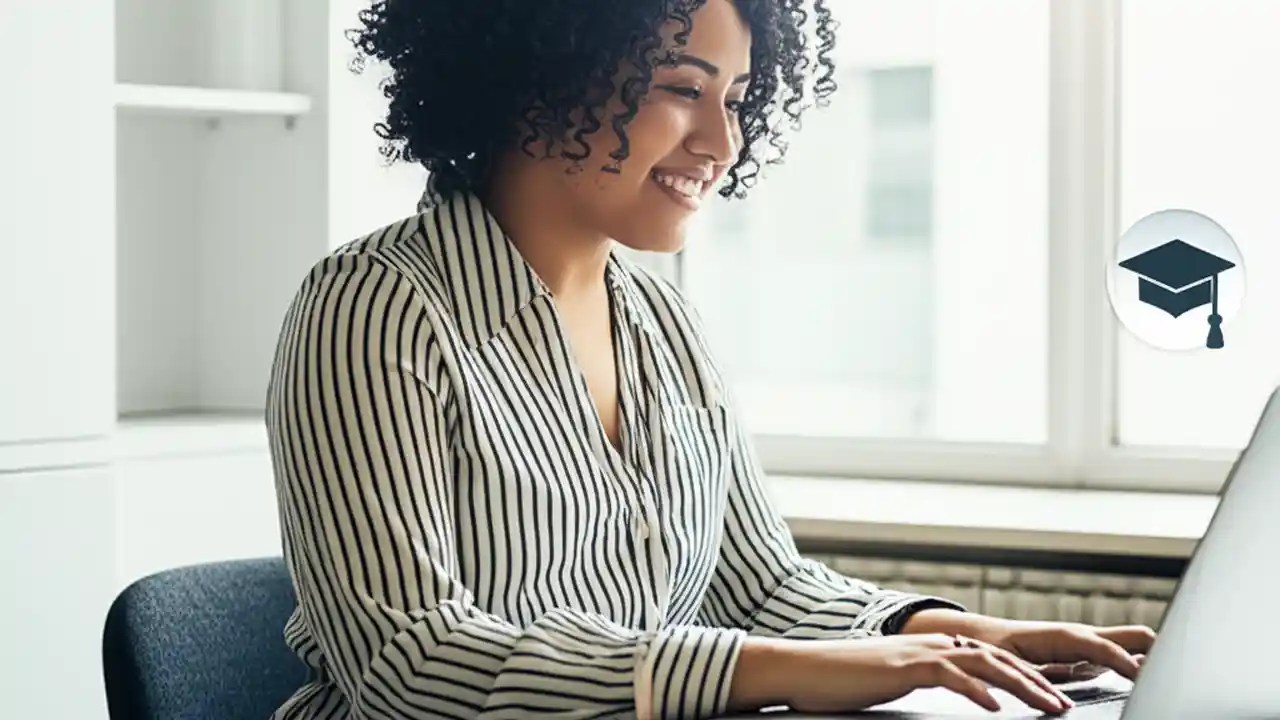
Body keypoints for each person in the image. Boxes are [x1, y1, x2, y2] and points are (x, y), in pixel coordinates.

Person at [263, 0, 1155, 717]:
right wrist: (776, 672)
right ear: (542, 74)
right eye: (683, 89)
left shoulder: (662, 320)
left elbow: (759, 585)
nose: (721, 144)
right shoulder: (372, 307)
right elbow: (412, 661)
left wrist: (954, 638)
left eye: (734, 99)